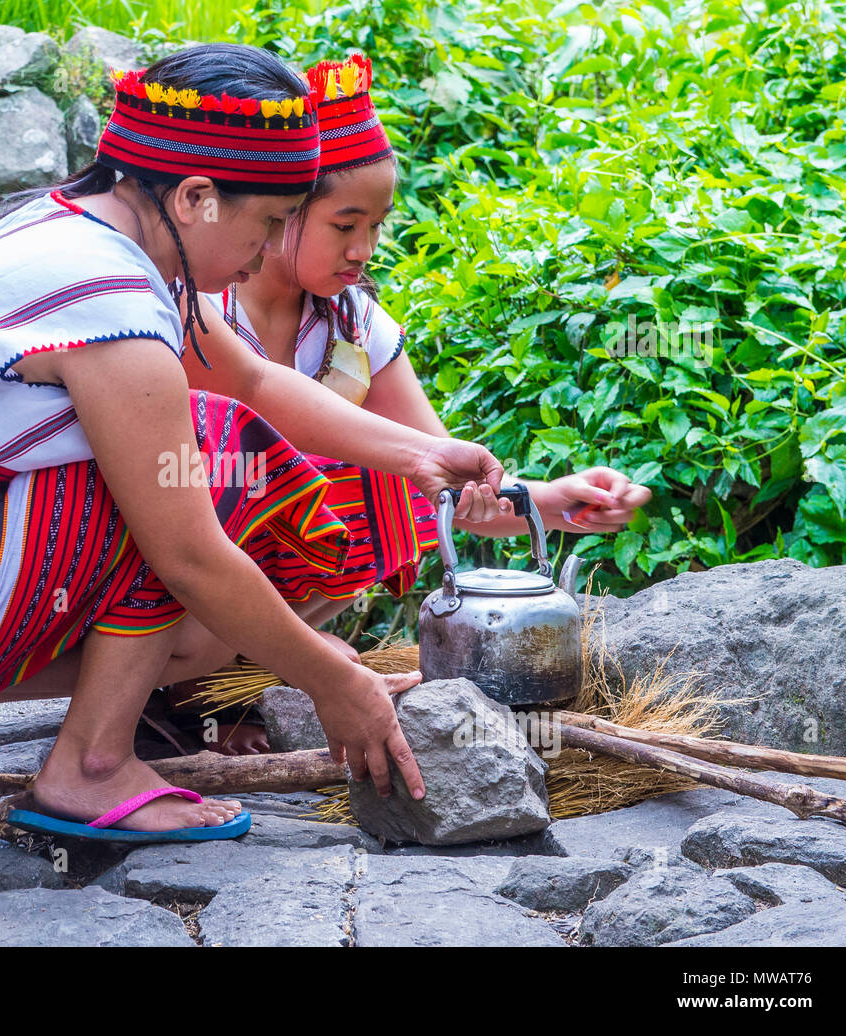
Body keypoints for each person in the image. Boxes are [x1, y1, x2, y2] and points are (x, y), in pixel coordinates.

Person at [0, 44, 512, 839]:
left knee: (196, 491)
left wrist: (420, 455)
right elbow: (189, 553)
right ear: (194, 197)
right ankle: (91, 761)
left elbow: (254, 380)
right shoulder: (112, 301)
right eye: (267, 224)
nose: (268, 253)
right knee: (221, 455)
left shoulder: (70, 229)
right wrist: (335, 680)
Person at [157, 53, 653, 752]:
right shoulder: (193, 307)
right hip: (175, 556)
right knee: (263, 468)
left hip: (257, 586)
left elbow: (439, 475)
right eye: (344, 224)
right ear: (283, 210)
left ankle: (249, 682)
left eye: (378, 226)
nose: (364, 249)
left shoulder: (357, 328)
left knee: (389, 490)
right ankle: (183, 689)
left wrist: (556, 501)